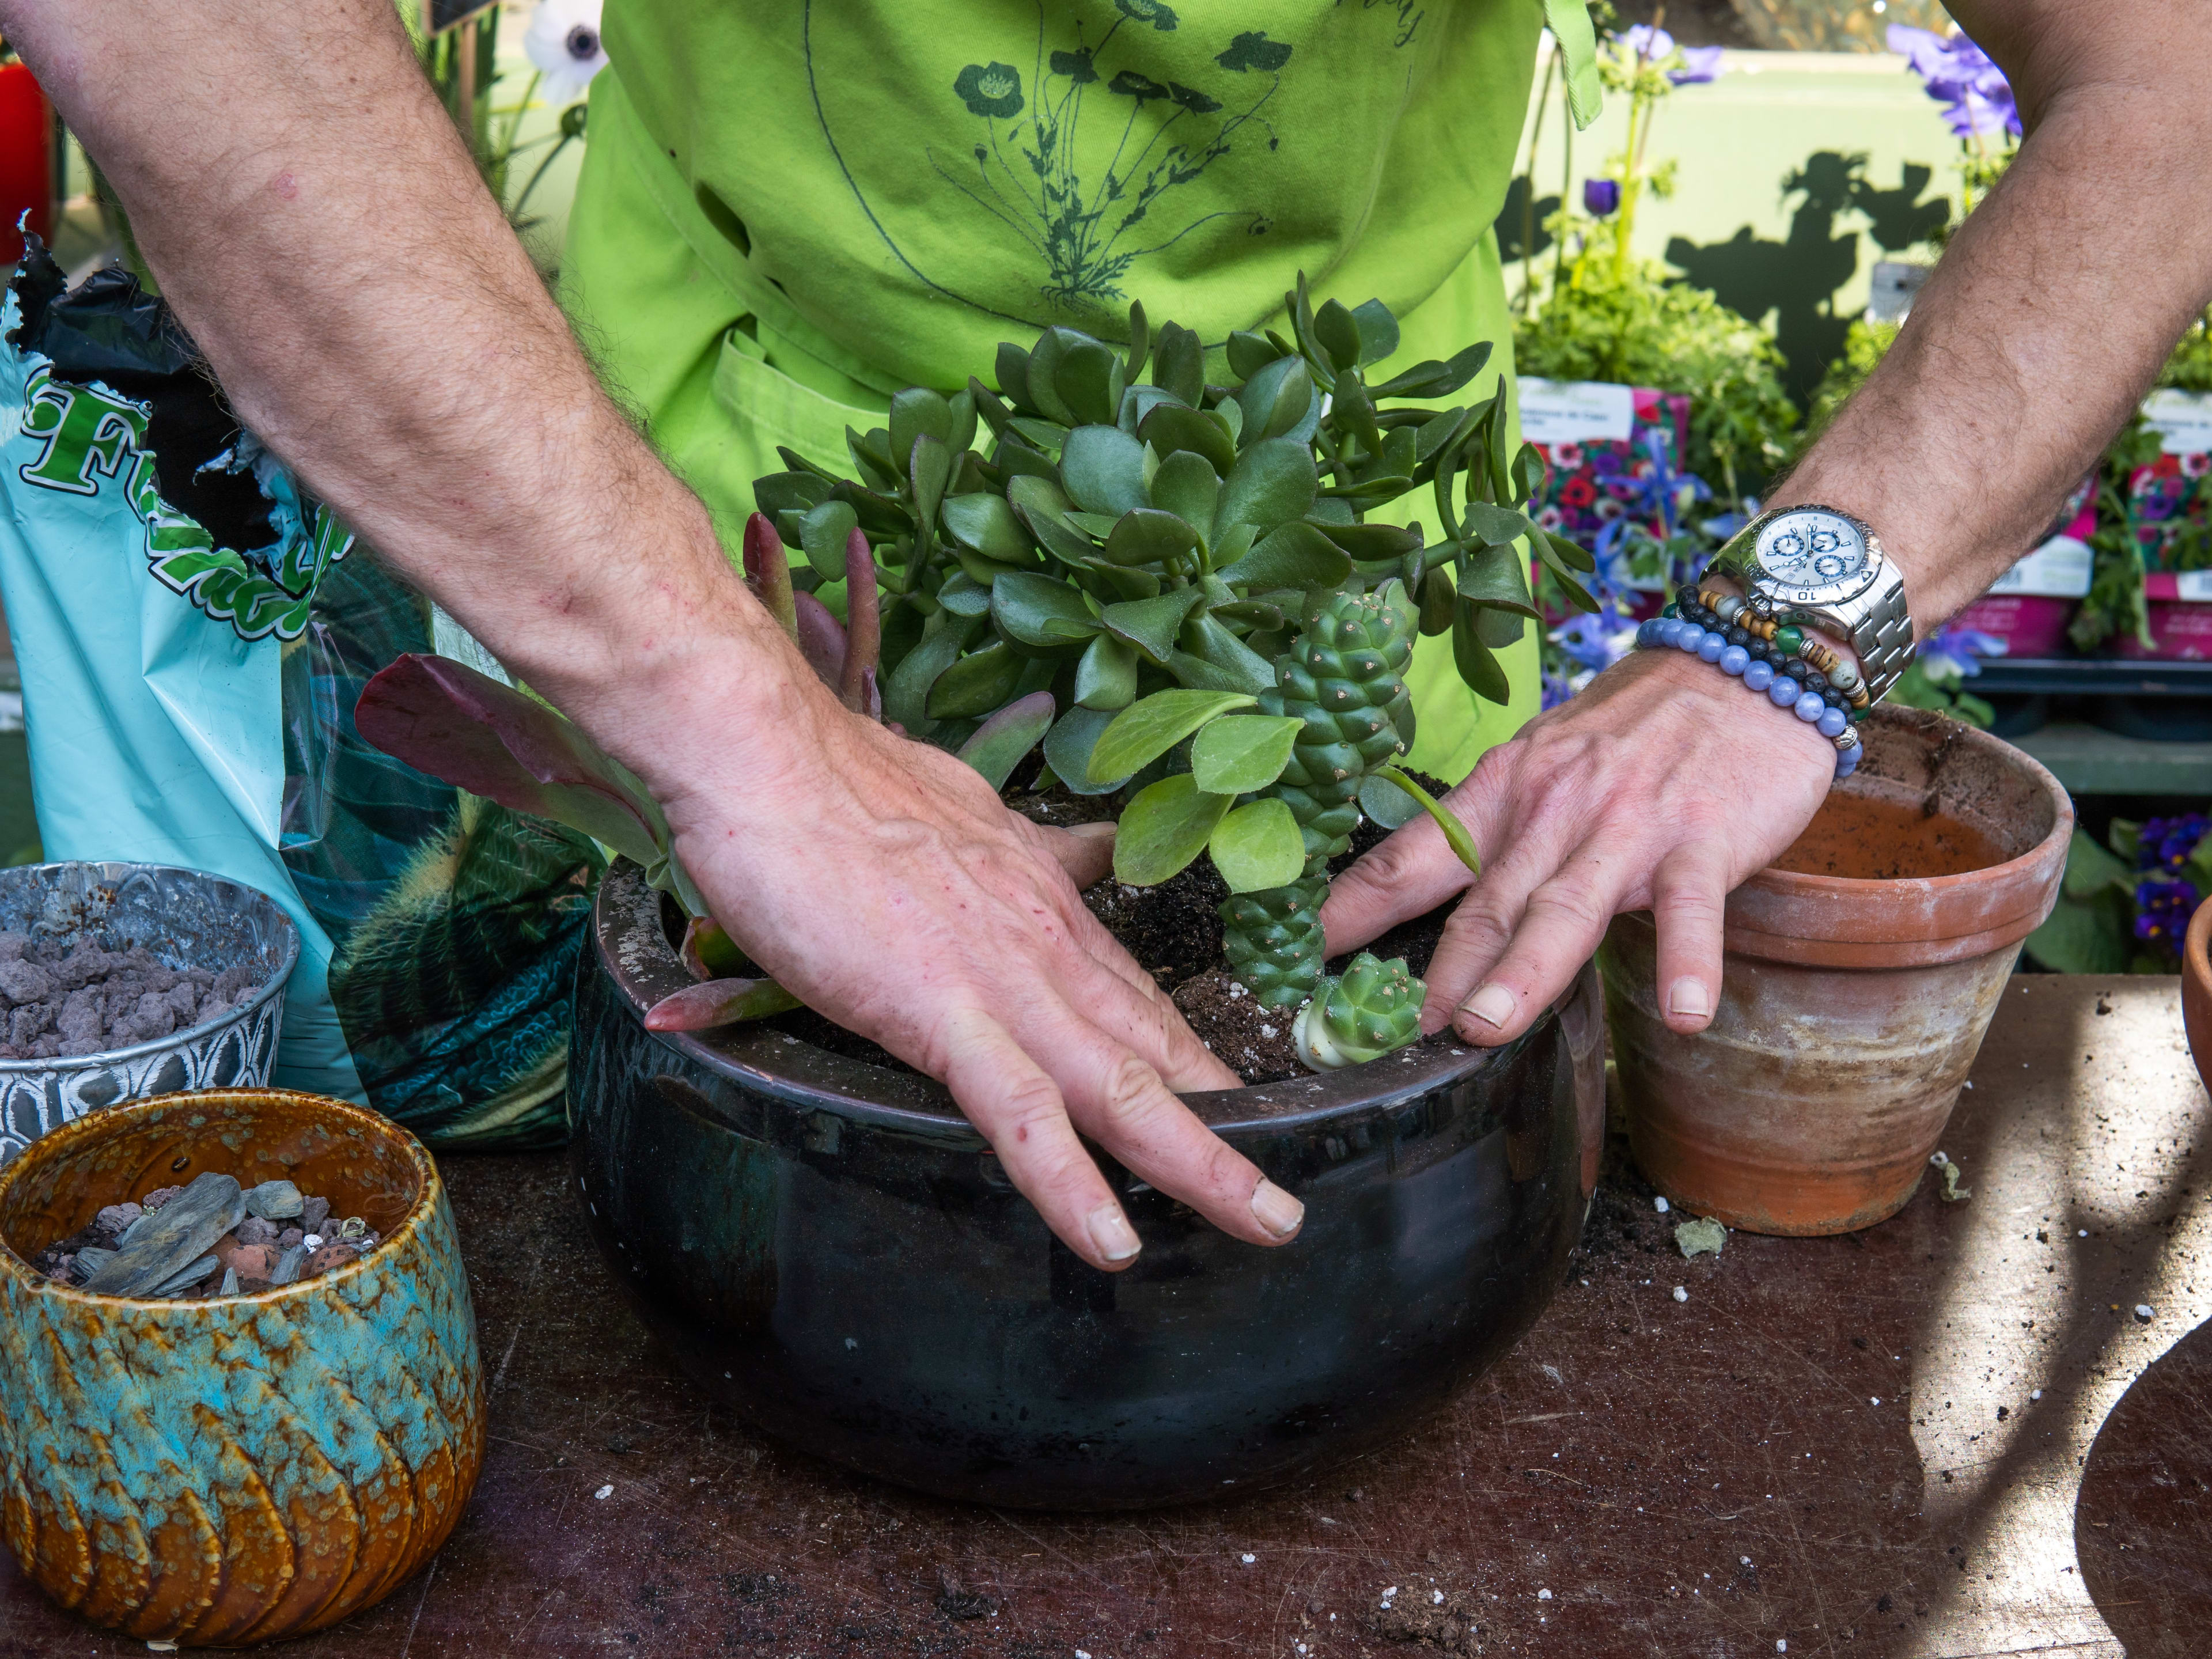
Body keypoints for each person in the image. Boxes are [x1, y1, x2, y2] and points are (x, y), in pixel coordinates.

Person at [3, 0, 2206, 1275]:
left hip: (1341, 598)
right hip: (702, 556)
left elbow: (2165, 67)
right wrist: (730, 721)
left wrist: (1784, 630)